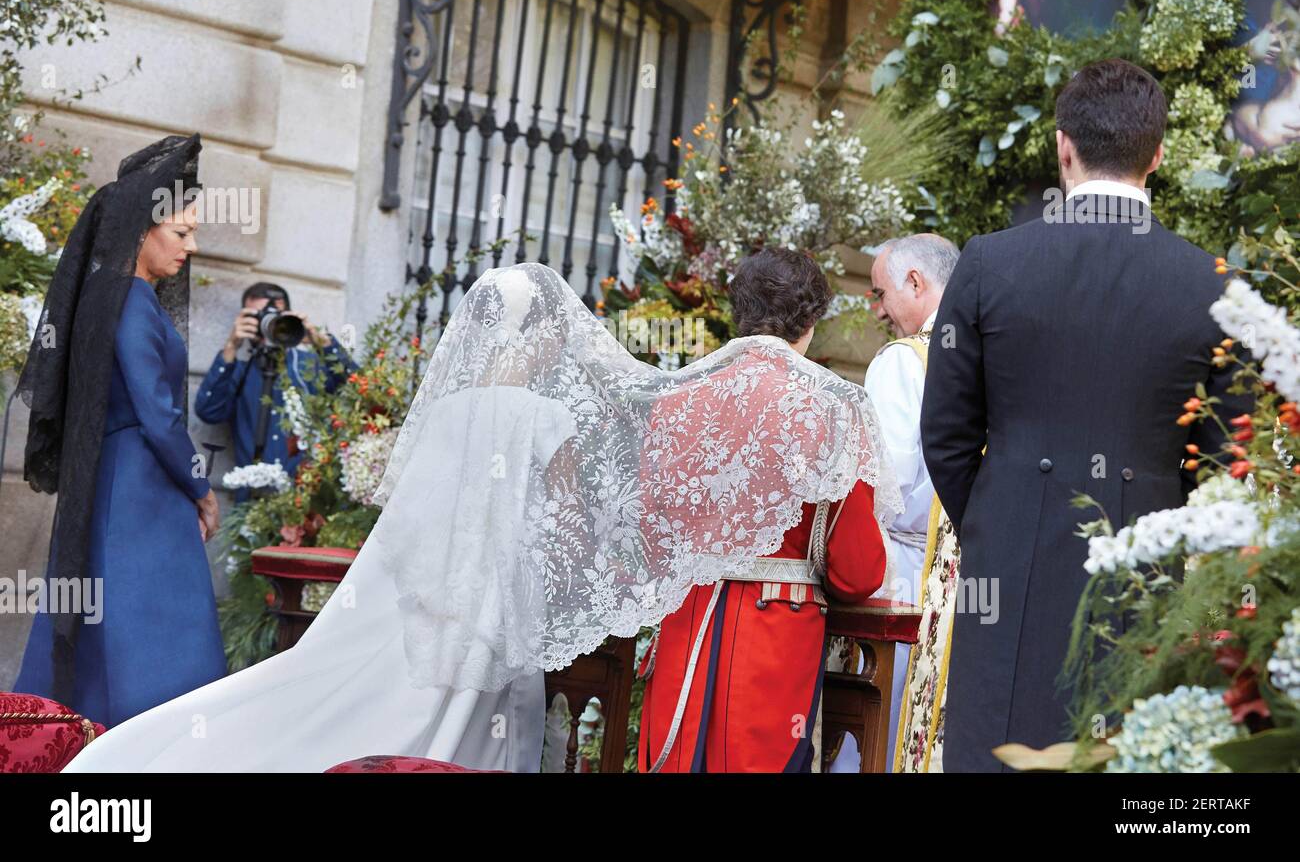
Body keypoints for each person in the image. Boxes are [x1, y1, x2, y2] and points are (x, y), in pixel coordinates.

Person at [61, 261, 900, 771]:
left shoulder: (462, 411)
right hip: (760, 632)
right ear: (814, 319)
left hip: (496, 617)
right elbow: (581, 531)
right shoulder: (827, 402)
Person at [920, 58, 1253, 771]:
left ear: (1062, 147)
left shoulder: (987, 262)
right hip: (1147, 569)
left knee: (998, 755)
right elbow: (1227, 459)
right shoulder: (1214, 287)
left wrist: (998, 517)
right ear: (1158, 154)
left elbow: (946, 435)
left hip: (1005, 571)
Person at [637, 248, 900, 773]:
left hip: (685, 629)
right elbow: (856, 572)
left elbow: (648, 533)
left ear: (740, 310)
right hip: (776, 635)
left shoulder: (677, 397)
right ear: (810, 320)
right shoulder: (831, 410)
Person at [13, 134, 226, 728]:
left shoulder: (123, 300)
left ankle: (84, 747)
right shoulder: (131, 304)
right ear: (141, 229)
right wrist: (201, 490)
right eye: (181, 233)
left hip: (124, 485)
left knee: (111, 631)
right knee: (153, 636)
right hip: (140, 492)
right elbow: (158, 413)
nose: (192, 245)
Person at [828, 232, 959, 774]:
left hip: (903, 570)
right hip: (964, 577)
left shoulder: (903, 361)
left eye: (880, 294)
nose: (878, 310)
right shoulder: (987, 350)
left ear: (915, 281)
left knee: (877, 723)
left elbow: (886, 487)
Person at [195, 282, 354, 498]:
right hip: (253, 507)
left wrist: (321, 341)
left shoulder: (308, 367)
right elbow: (208, 411)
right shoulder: (238, 371)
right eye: (258, 317)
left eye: (276, 318)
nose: (267, 326)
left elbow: (357, 388)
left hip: (308, 503)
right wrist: (232, 345)